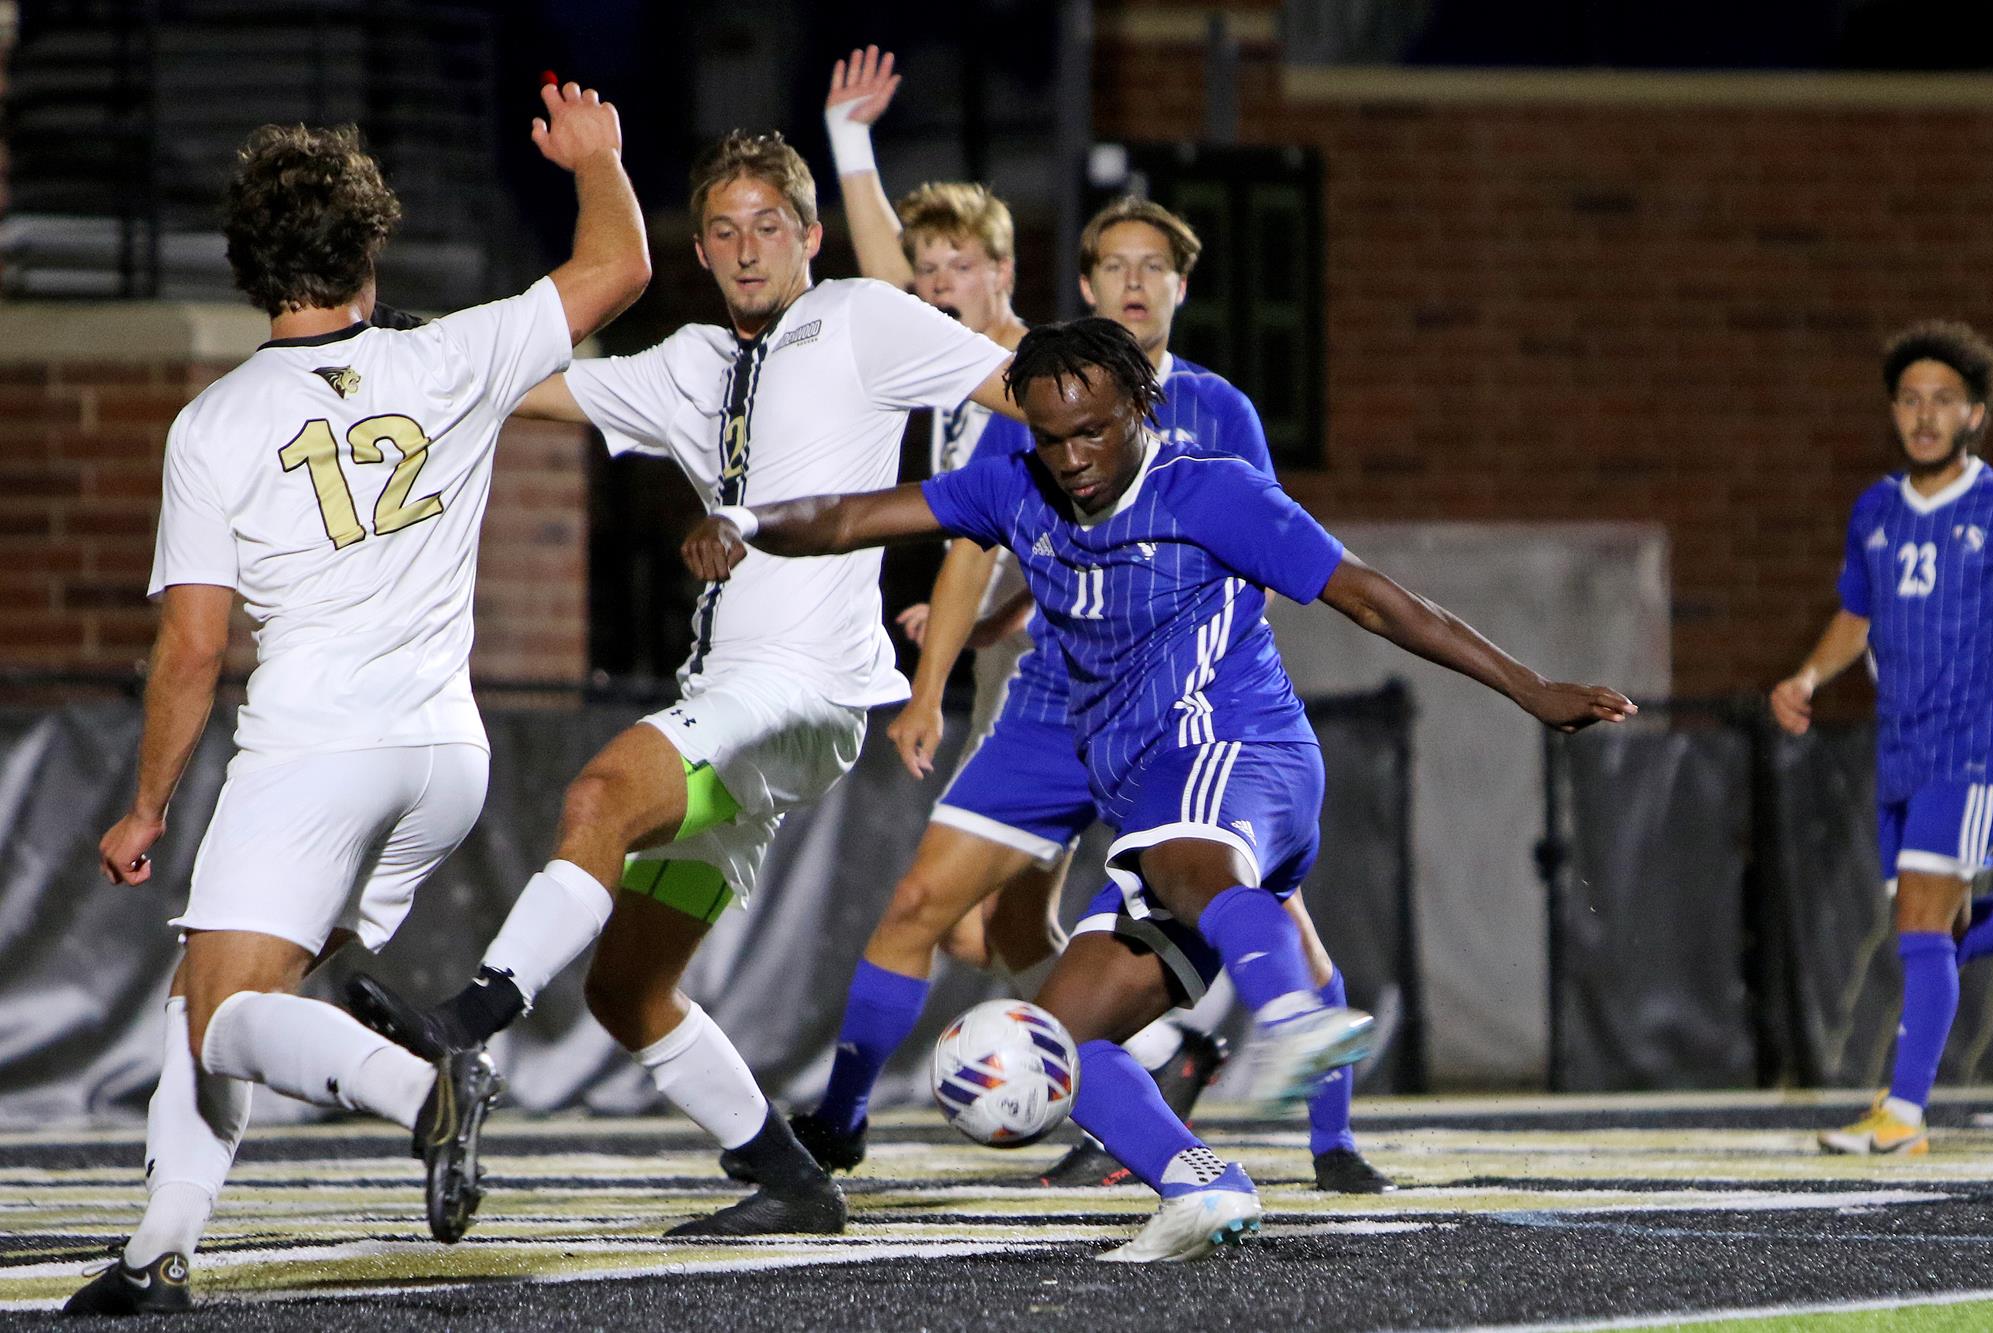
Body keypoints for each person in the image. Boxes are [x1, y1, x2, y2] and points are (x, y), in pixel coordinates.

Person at [680, 318, 1635, 1259]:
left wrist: (1530, 687)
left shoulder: (1210, 491)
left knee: (1184, 857)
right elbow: (852, 517)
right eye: (1052, 438)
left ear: (1141, 403)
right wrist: (747, 520)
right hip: (1154, 800)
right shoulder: (1014, 490)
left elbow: (1375, 597)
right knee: (1061, 1047)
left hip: (1245, 756)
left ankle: (1298, 1017)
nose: (1073, 457)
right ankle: (1200, 1182)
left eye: (1093, 429)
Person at [346, 128, 1020, 1237]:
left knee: (601, 795)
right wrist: (396, 343)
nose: (747, 248)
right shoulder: (690, 362)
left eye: (768, 226)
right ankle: (790, 1176)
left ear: (810, 236)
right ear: (699, 249)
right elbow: (537, 388)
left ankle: (467, 1024)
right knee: (626, 988)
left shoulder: (861, 317)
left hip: (802, 695)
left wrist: (1094, 450)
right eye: (722, 230)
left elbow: (1016, 389)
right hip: (741, 712)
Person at [63, 83, 650, 1316]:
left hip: (317, 752)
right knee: (216, 1002)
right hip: (446, 756)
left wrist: (146, 806)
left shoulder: (216, 422)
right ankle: (152, 1257)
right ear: (369, 254)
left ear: (245, 265)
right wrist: (595, 157)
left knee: (228, 1017)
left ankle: (420, 1087)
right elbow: (618, 266)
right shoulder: (450, 353)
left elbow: (191, 649)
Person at [796, 44, 1390, 1196]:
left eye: (958, 264)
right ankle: (863, 1118)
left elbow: (1262, 552)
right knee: (957, 916)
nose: (935, 282)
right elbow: (984, 525)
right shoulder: (1005, 379)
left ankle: (1320, 1128)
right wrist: (958, 657)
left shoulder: (1144, 397)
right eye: (928, 269)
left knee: (1251, 901)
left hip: (1179, 706)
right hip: (1051, 700)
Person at [1772, 320, 1993, 1156]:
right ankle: (1901, 1105)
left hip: (1973, 747)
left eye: (1944, 400)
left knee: (1920, 918)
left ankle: (1904, 1117)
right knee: (1928, 930)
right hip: (1898, 748)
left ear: (1976, 414)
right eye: (1910, 399)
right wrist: (1805, 678)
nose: (1925, 415)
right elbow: (1857, 616)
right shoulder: (1875, 509)